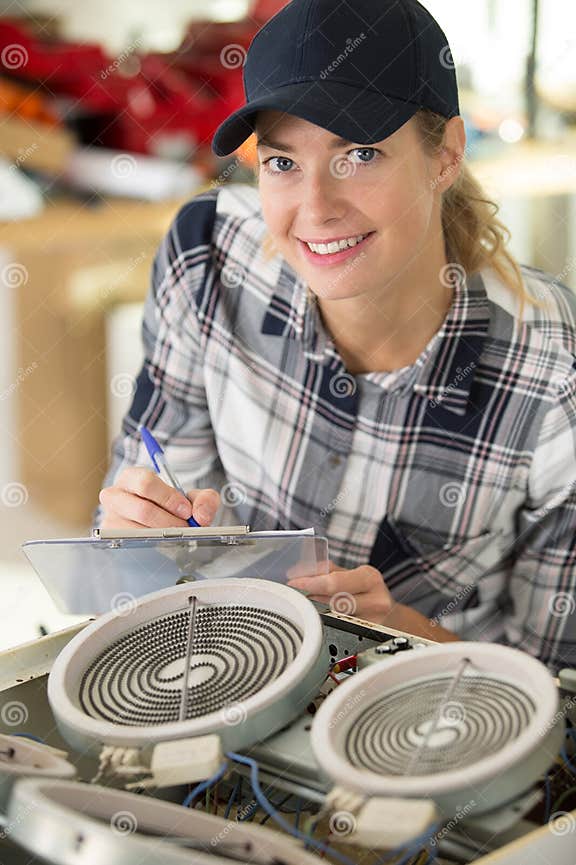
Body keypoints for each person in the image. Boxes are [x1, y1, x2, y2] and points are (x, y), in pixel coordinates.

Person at [96, 0, 576, 673]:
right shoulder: (204, 253)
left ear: (446, 156)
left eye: (359, 153)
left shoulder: (553, 371)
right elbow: (149, 558)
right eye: (283, 162)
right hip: (228, 682)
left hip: (440, 733)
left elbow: (562, 700)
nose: (316, 208)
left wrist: (404, 637)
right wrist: (134, 543)